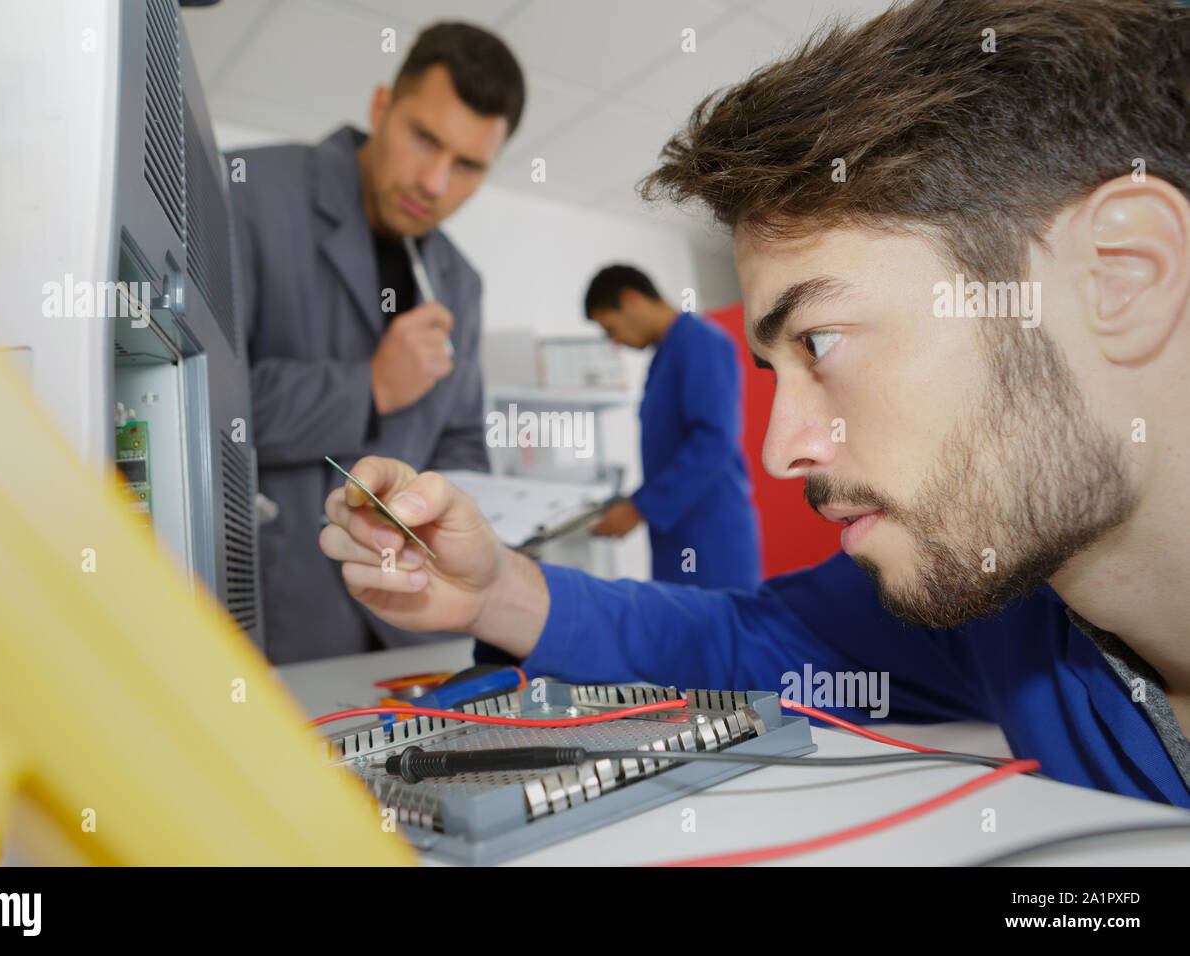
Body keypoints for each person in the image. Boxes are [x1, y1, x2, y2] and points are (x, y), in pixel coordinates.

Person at [318, 0, 1190, 809]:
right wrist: (493, 590)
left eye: (819, 339)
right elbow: (744, 641)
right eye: (776, 367)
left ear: (1120, 277)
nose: (780, 451)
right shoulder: (1000, 611)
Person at [229, 23, 524, 663]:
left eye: (468, 165)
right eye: (424, 139)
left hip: (422, 620)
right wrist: (370, 387)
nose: (435, 184)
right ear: (381, 107)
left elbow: (463, 443)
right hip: (287, 617)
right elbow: (200, 411)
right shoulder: (249, 193)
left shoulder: (460, 284)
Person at [584, 264, 761, 588]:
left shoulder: (702, 343)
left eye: (611, 328)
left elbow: (713, 441)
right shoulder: (666, 354)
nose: (615, 341)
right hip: (678, 531)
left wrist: (640, 507)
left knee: (714, 631)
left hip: (711, 532)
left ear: (631, 299)